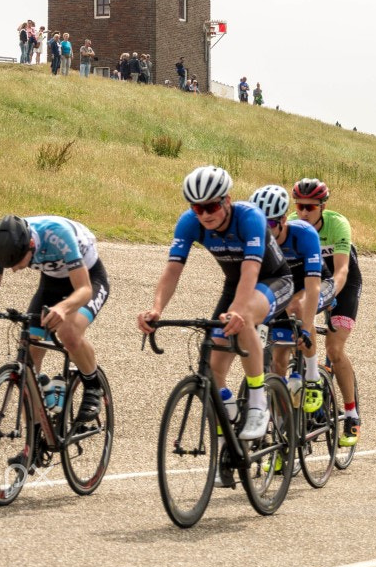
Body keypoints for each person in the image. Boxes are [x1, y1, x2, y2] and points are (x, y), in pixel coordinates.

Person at [138, 166, 295, 448]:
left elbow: (250, 272)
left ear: (227, 200)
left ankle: (259, 403)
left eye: (211, 206)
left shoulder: (250, 217)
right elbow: (173, 269)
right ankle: (228, 413)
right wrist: (156, 309)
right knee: (212, 361)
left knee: (244, 318)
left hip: (273, 280)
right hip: (235, 284)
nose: (205, 215)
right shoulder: (189, 222)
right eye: (198, 208)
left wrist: (237, 311)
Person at [0, 215, 110, 427]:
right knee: (28, 358)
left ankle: (93, 384)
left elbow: (84, 290)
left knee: (68, 332)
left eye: (16, 262)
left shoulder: (58, 234)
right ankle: (36, 437)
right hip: (51, 284)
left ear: (30, 245)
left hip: (89, 279)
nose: (13, 269)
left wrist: (63, 308)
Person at [249, 185, 329, 417]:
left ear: (284, 219)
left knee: (298, 307)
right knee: (278, 360)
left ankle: (313, 379)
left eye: (271, 224)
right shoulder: (256, 238)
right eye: (260, 225)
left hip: (313, 283)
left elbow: (314, 286)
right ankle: (286, 426)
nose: (265, 230)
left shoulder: (303, 233)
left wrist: (305, 328)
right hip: (284, 287)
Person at [292, 178, 361, 445]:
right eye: (299, 206)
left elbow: (342, 271)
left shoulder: (337, 224)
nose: (304, 213)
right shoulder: (292, 222)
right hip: (309, 277)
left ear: (323, 206)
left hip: (341, 282)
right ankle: (312, 389)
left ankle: (351, 414)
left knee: (335, 349)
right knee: (295, 331)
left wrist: (326, 296)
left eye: (310, 207)